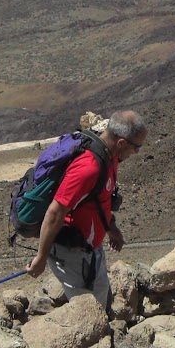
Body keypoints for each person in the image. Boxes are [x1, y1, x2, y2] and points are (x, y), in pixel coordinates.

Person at [26, 110, 147, 311]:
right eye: (137, 147)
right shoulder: (88, 169)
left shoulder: (110, 157)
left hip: (91, 248)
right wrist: (40, 258)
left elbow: (99, 199)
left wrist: (111, 227)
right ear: (122, 143)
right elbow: (55, 213)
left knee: (100, 300)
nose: (137, 153)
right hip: (73, 251)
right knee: (88, 312)